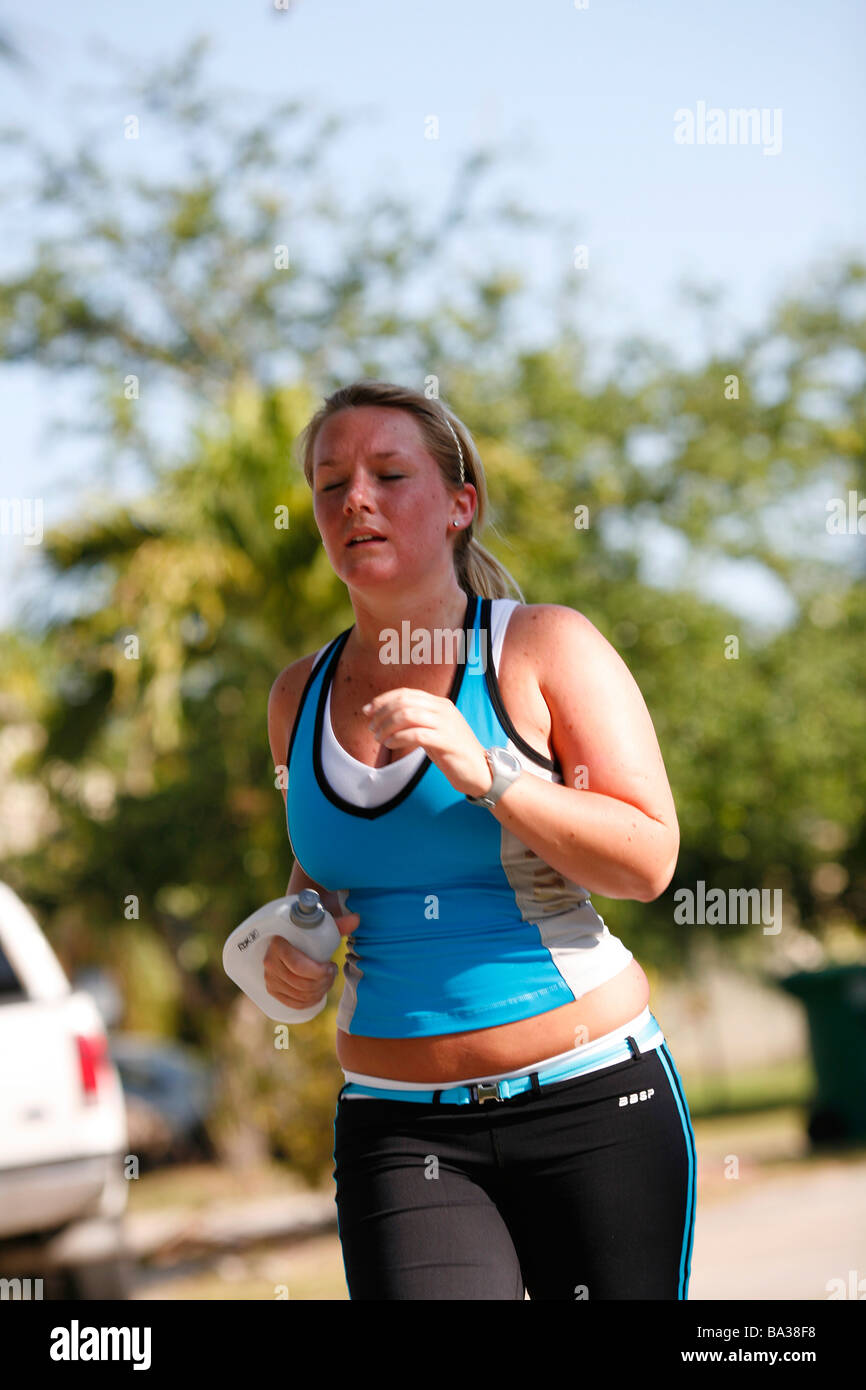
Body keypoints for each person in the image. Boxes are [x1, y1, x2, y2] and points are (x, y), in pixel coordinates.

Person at [266, 380, 696, 1301]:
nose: (356, 501)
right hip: (400, 1131)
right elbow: (327, 872)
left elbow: (648, 858)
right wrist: (295, 937)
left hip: (593, 1103)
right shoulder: (296, 696)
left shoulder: (544, 647)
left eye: (389, 474)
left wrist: (494, 775)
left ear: (461, 504)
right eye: (330, 484)